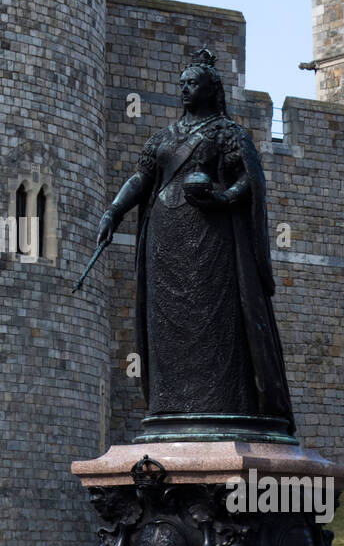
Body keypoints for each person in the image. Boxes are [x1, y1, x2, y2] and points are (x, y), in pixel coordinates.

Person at [96, 48, 295, 440]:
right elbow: (142, 179)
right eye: (182, 84)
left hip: (213, 243)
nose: (186, 90)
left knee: (215, 321)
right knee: (166, 327)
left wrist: (222, 198)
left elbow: (250, 184)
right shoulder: (164, 138)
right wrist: (114, 212)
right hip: (164, 241)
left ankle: (223, 405)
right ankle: (170, 405)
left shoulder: (227, 134)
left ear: (211, 89)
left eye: (194, 84)